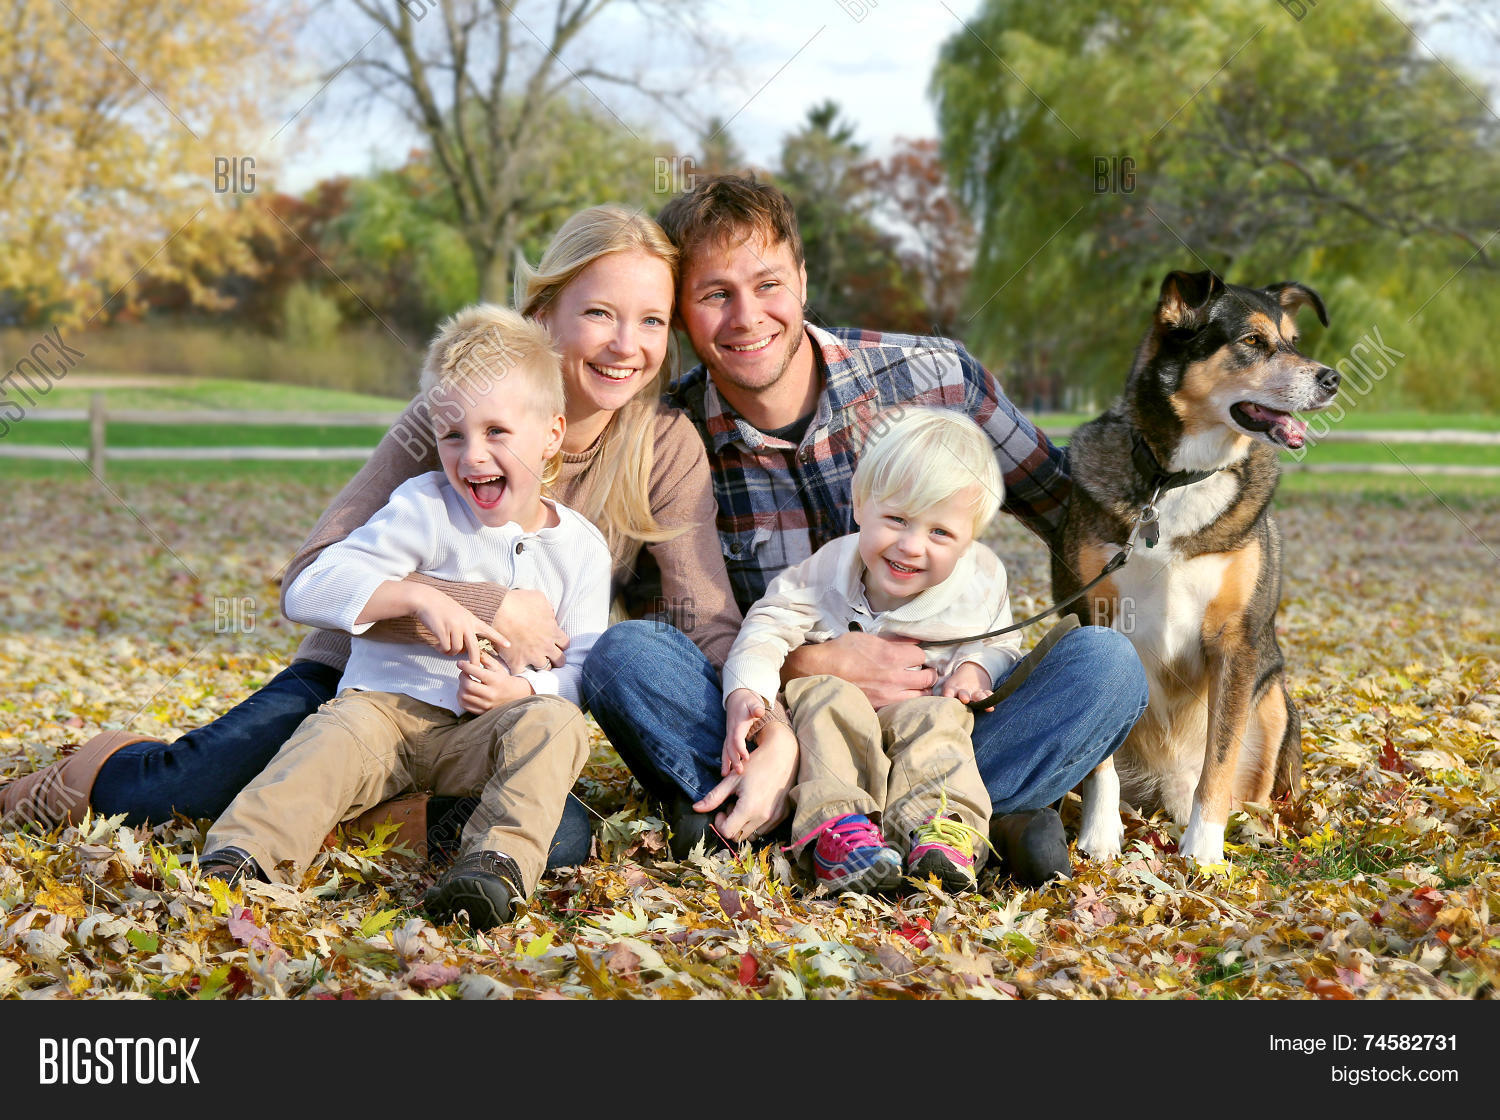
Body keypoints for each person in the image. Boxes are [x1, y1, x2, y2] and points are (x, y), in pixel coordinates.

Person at [0, 206, 741, 872]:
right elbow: (315, 569)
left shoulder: (662, 442)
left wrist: (752, 708)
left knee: (564, 841)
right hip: (362, 681)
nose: (626, 345)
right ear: (544, 314)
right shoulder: (451, 415)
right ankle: (95, 771)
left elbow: (698, 615)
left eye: (651, 321)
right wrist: (487, 605)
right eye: (601, 313)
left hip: (493, 713)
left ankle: (358, 817)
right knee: (186, 790)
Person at [583, 173, 1150, 884]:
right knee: (627, 655)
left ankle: (808, 825)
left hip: (950, 726)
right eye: (714, 294)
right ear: (682, 315)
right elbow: (661, 630)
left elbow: (1076, 511)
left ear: (802, 277)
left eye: (767, 285)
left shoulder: (935, 377)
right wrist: (810, 666)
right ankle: (968, 820)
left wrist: (981, 663)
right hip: (778, 731)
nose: (746, 317)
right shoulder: (663, 440)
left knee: (1107, 664)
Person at [197, 306, 611, 927]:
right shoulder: (423, 506)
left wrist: (522, 689)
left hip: (482, 736)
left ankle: (492, 869)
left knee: (556, 728)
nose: (471, 456)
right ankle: (246, 853)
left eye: (496, 432)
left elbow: (583, 669)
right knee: (326, 741)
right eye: (452, 435)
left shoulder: (580, 547)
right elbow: (310, 587)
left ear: (552, 434)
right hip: (382, 716)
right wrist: (418, 597)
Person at [722, 408, 1020, 894]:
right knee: (824, 696)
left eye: (939, 532)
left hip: (919, 711)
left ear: (969, 540)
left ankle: (939, 831)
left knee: (940, 721)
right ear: (861, 505)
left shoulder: (980, 582)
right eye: (896, 519)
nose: (910, 546)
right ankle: (838, 831)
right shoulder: (824, 572)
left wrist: (974, 667)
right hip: (838, 720)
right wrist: (748, 693)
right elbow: (765, 625)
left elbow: (1001, 641)